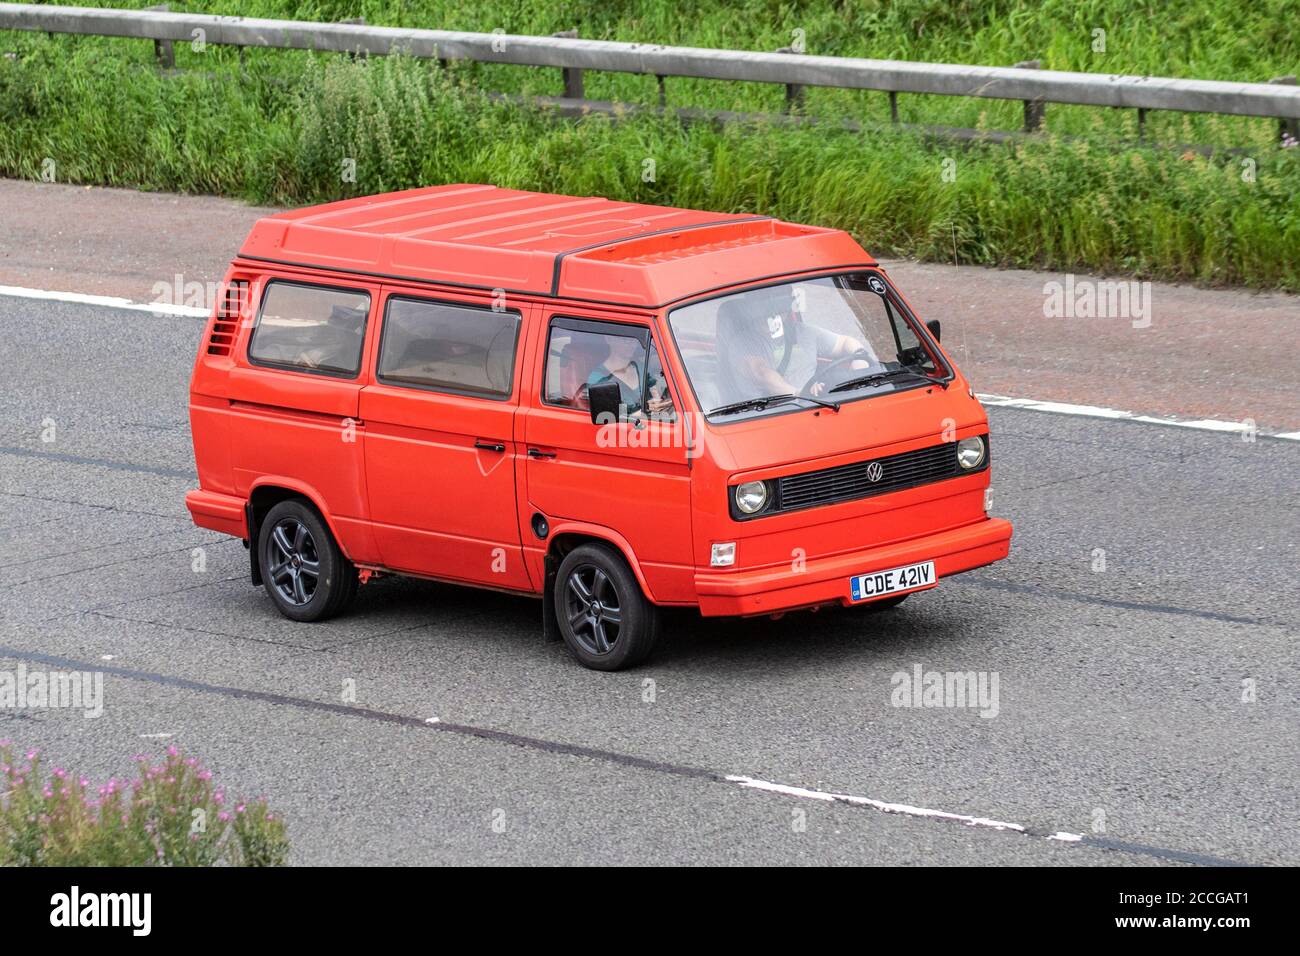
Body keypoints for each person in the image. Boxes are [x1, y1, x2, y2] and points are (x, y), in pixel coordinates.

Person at [718, 285, 870, 399]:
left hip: (814, 407)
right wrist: (800, 394)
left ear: (788, 305)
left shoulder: (803, 332)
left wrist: (860, 365)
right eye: (765, 302)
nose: (773, 310)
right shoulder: (742, 343)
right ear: (752, 305)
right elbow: (762, 374)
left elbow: (845, 342)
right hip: (766, 415)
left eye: (779, 302)